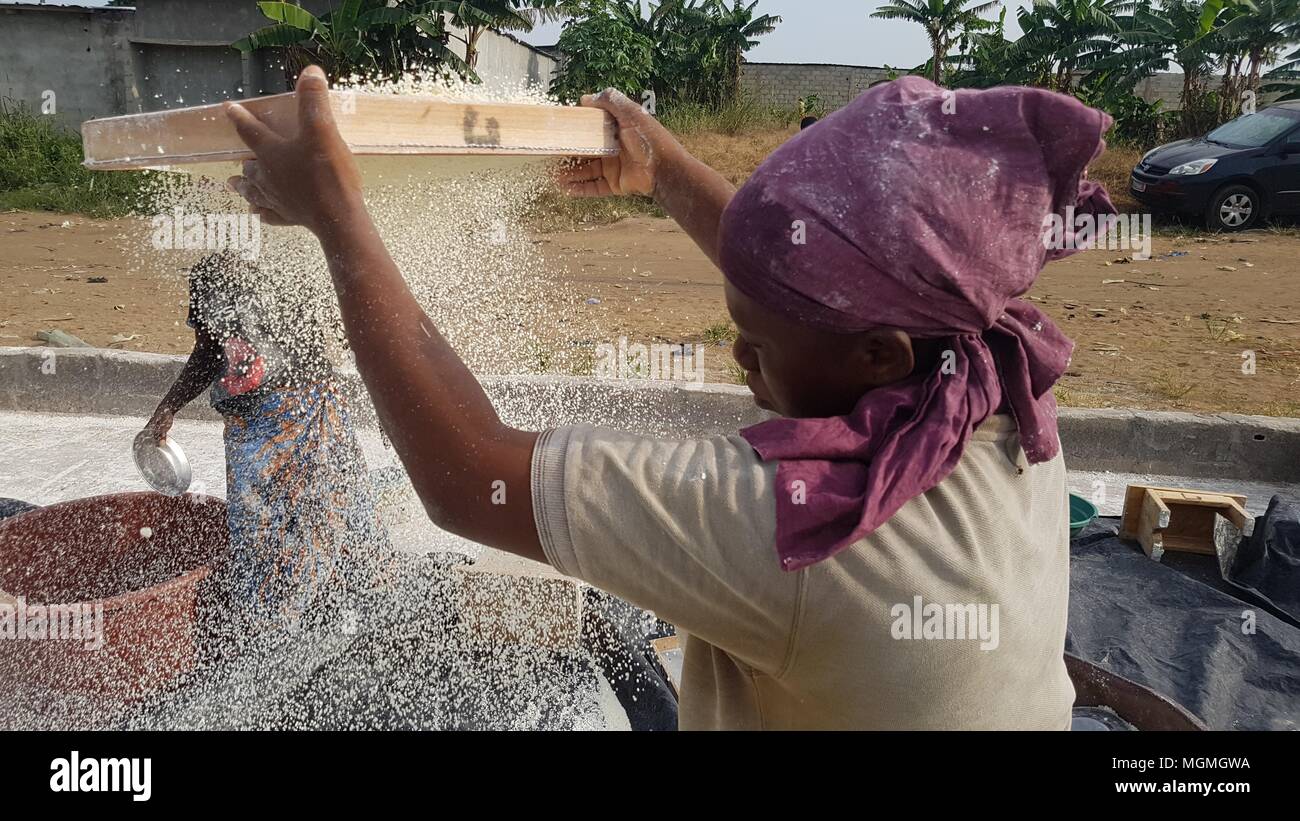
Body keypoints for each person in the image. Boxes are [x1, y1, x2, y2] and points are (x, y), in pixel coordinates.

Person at [222, 67, 1117, 729]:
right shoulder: (992, 370)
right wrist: (666, 170)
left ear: (881, 353)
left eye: (756, 344)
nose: (737, 359)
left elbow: (469, 476)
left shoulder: (806, 525)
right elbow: (806, 264)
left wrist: (337, 215)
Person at [143, 251, 391, 633]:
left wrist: (385, 404)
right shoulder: (210, 277)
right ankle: (273, 623)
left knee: (332, 508)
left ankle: (351, 600)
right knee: (260, 525)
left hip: (312, 413)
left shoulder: (294, 272)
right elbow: (208, 353)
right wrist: (168, 407)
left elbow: (355, 335)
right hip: (254, 427)